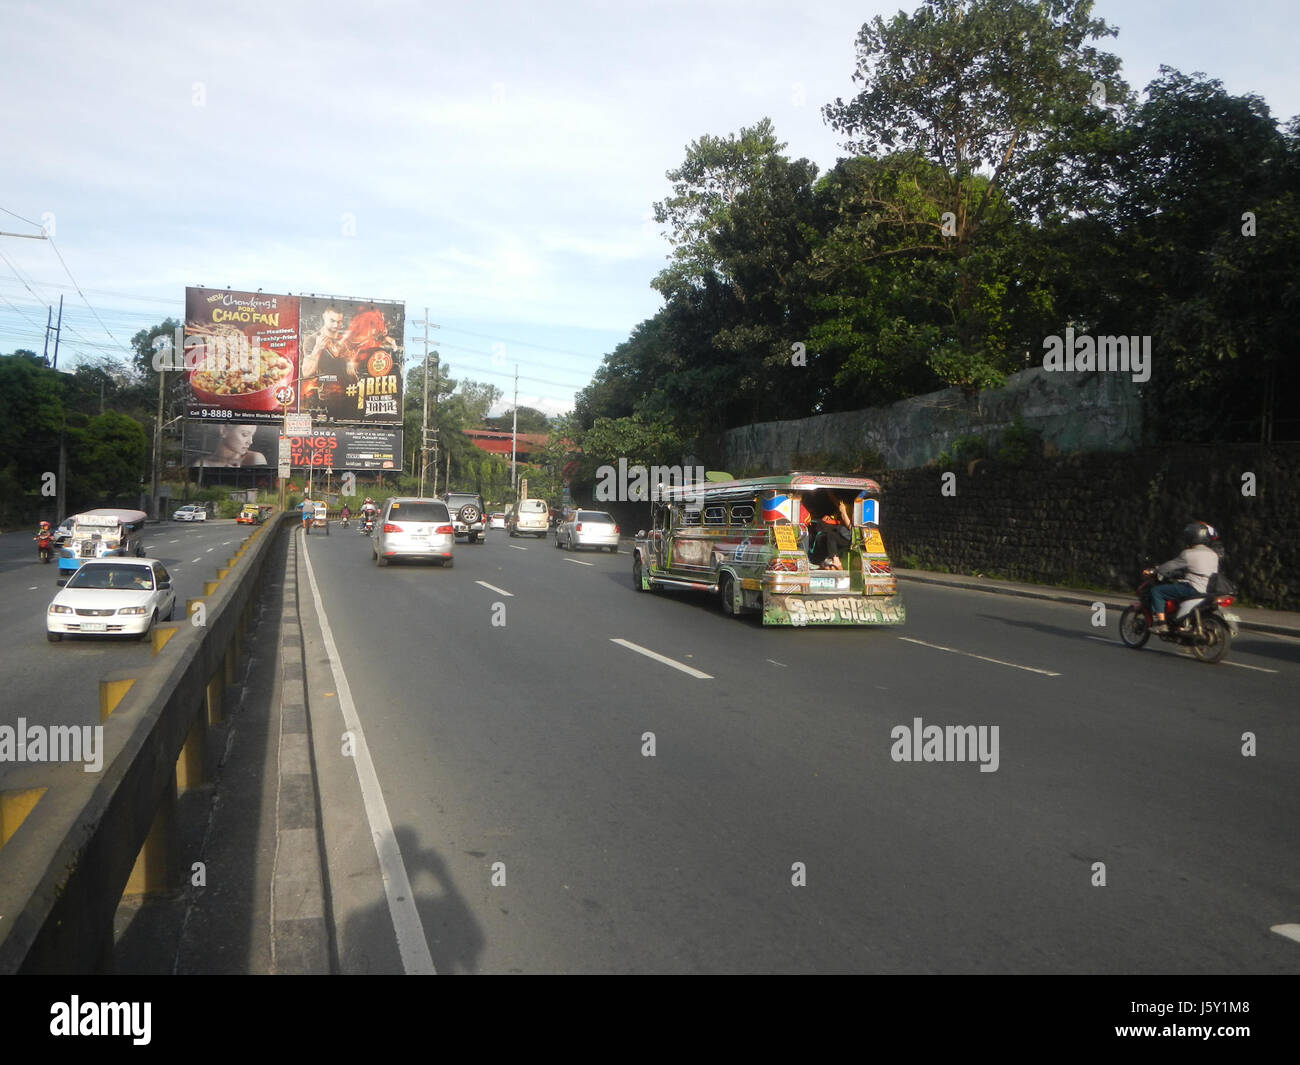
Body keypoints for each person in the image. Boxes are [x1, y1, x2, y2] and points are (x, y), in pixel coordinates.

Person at [1148, 521, 1221, 632]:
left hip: (1193, 588)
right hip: (1209, 590)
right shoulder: (1213, 554)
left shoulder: (1188, 553)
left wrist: (1155, 570)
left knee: (1157, 591)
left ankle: (1161, 623)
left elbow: (1169, 566)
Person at [807, 490, 852, 569]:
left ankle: (836, 561)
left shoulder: (850, 509)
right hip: (842, 532)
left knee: (831, 536)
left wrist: (844, 513)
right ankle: (820, 560)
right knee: (821, 531)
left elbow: (850, 527)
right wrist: (830, 518)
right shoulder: (840, 507)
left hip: (849, 537)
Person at [193, 424, 267, 467]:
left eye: (252, 435)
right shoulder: (201, 464)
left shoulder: (255, 459)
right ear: (224, 430)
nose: (250, 442)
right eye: (245, 434)